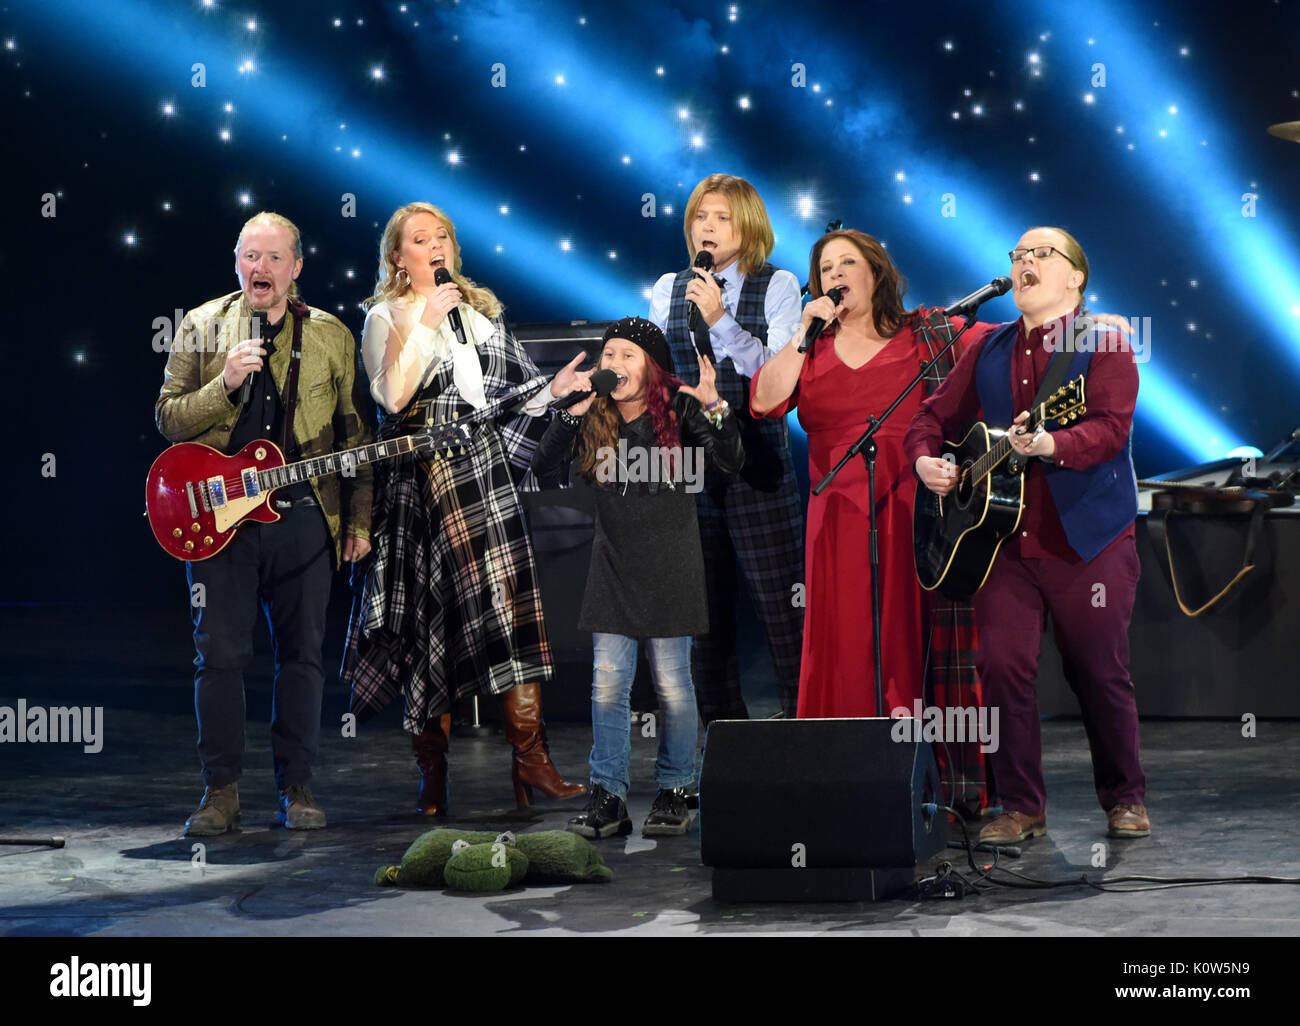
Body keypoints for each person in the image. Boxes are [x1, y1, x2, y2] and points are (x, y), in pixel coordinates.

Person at [904, 226, 1148, 843]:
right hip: (1002, 542)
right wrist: (926, 461)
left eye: (1042, 254)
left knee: (1098, 670)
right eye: (1018, 255)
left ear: (1075, 277)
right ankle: (1020, 806)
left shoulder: (1104, 342)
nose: (1025, 263)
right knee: (1001, 667)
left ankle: (1125, 797)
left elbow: (1110, 429)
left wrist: (1051, 444)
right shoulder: (987, 345)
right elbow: (931, 416)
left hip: (1087, 539)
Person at [342, 201, 587, 816]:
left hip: (484, 477)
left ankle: (531, 759)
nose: (435, 246)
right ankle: (432, 774)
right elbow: (391, 397)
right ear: (398, 257)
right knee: (431, 626)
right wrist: (426, 320)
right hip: (424, 483)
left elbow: (511, 400)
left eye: (442, 236)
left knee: (508, 612)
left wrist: (553, 392)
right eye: (420, 239)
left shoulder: (483, 315)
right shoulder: (384, 316)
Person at [750, 229, 993, 813]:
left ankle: (927, 785)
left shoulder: (927, 333)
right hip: (835, 522)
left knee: (912, 643)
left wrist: (1079, 329)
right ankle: (846, 779)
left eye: (847, 263)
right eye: (825, 268)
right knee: (847, 644)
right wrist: (801, 334)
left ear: (875, 273)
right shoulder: (811, 347)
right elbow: (763, 401)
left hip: (916, 514)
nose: (835, 274)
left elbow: (1002, 346)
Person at [156, 211, 373, 836]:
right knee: (219, 655)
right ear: (236, 263)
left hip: (302, 518)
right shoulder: (202, 325)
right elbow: (168, 418)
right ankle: (220, 792)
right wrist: (224, 383)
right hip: (218, 519)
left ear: (296, 268)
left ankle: (297, 788)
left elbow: (356, 436)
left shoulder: (330, 334)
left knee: (302, 655)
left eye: (275, 257)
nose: (262, 268)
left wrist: (358, 521)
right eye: (251, 256)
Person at [532, 318, 744, 837]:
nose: (616, 364)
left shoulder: (681, 409)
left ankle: (677, 788)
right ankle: (608, 795)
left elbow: (731, 463)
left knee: (673, 686)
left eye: (628, 355)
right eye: (609, 356)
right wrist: (569, 412)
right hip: (613, 569)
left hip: (672, 568)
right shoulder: (593, 415)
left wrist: (716, 408)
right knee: (608, 686)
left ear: (651, 366)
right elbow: (542, 467)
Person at [649, 173, 805, 722]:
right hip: (690, 467)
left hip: (758, 465)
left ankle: (806, 735)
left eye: (721, 217)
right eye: (700, 216)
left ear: (748, 225)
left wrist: (720, 319)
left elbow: (778, 374)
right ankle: (722, 743)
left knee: (784, 610)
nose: (707, 227)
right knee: (704, 622)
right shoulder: (668, 287)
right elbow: (655, 375)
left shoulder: (778, 284)